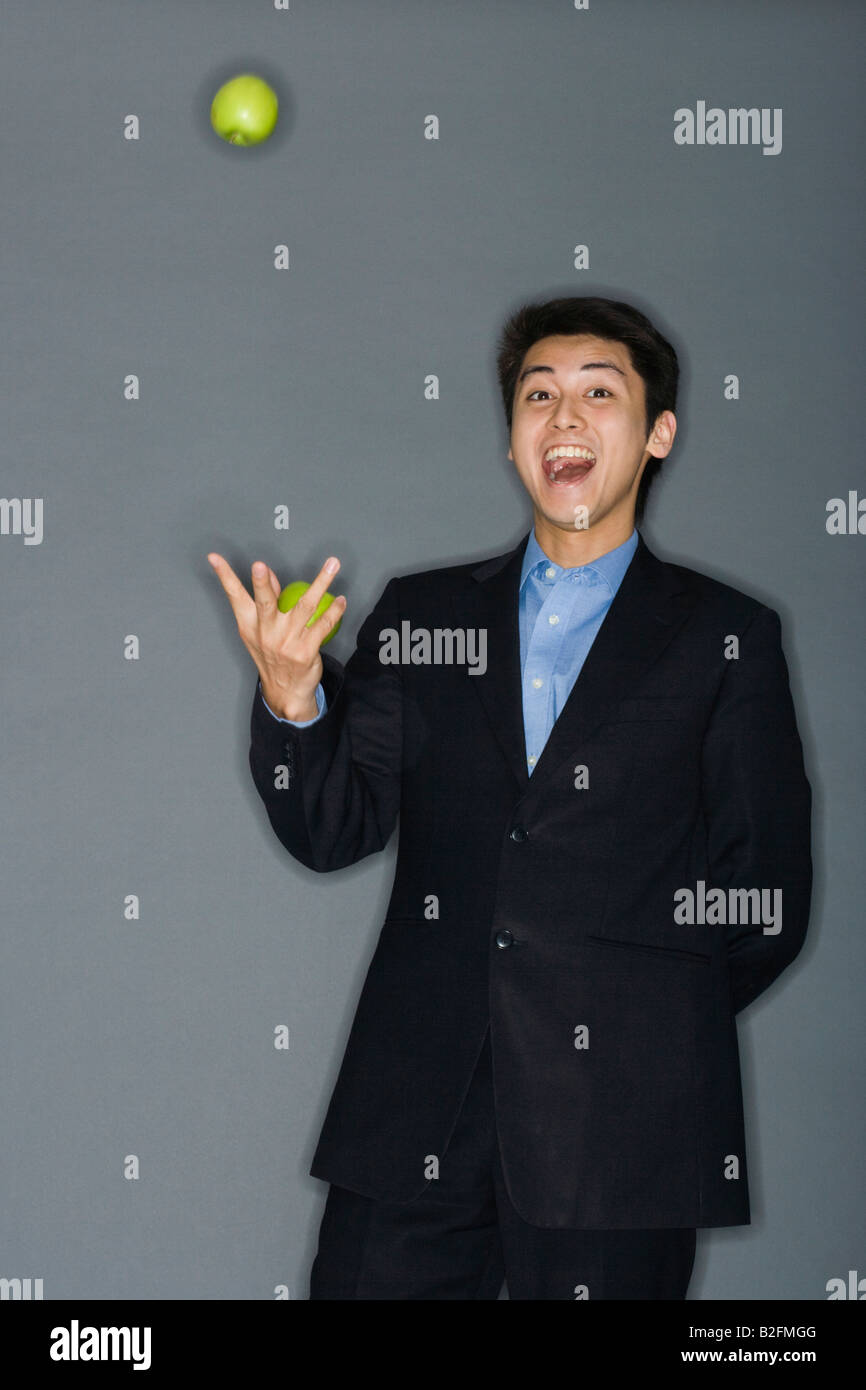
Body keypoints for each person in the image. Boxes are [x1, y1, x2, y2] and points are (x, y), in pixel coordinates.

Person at [208, 295, 812, 1300]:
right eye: (537, 396)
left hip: (621, 1138)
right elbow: (331, 828)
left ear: (658, 431)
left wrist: (636, 1021)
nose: (562, 417)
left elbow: (762, 900)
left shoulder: (726, 636)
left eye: (596, 393)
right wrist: (292, 695)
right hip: (414, 1113)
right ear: (511, 440)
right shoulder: (421, 614)